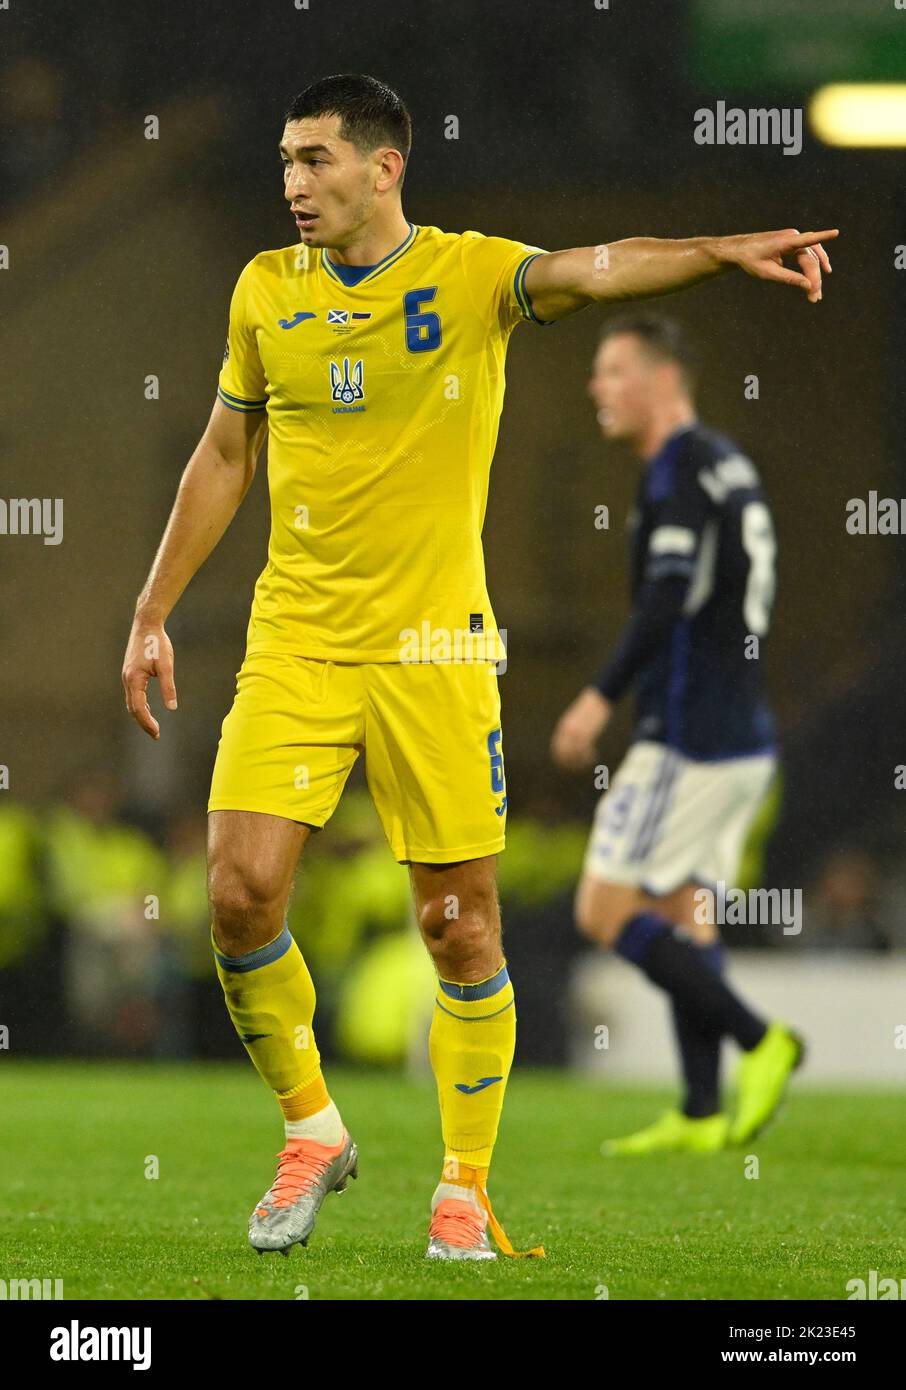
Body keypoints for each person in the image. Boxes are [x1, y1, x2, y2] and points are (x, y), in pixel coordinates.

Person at [122, 73, 834, 1258]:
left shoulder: (469, 275)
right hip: (296, 638)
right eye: (286, 163)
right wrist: (152, 608)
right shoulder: (263, 290)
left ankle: (463, 1183)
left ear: (384, 166)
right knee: (239, 892)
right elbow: (224, 448)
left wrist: (716, 251)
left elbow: (597, 266)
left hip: (436, 650)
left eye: (316, 161)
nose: (294, 183)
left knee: (459, 927)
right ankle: (312, 1132)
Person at [551, 315, 801, 1155]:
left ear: (664, 381)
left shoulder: (680, 467)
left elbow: (666, 597)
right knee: (684, 916)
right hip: (741, 734)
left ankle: (761, 1040)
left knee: (604, 908)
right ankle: (701, 1111)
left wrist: (596, 698)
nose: (598, 387)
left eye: (614, 370)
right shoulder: (728, 463)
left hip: (689, 735)